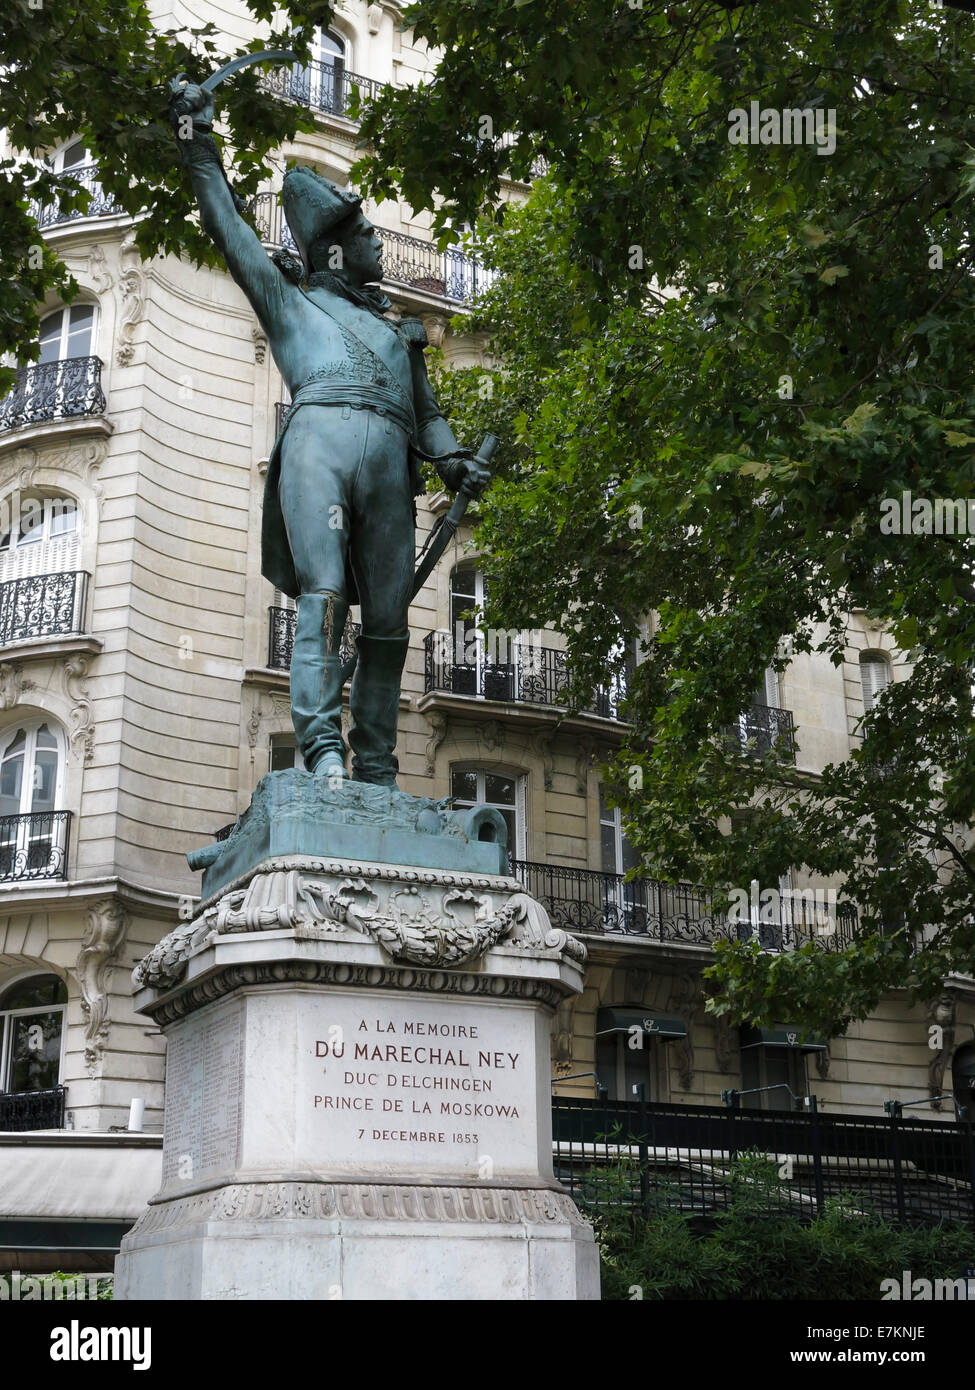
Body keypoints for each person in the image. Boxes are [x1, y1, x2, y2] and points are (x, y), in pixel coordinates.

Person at [169, 82, 490, 786]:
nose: (377, 241)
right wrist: (197, 143)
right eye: (366, 233)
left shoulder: (399, 333)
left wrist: (452, 461)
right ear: (337, 249)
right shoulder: (287, 301)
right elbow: (226, 225)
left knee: (389, 623)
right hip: (318, 447)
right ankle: (321, 748)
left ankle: (375, 763)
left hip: (390, 470)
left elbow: (428, 414)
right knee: (322, 599)